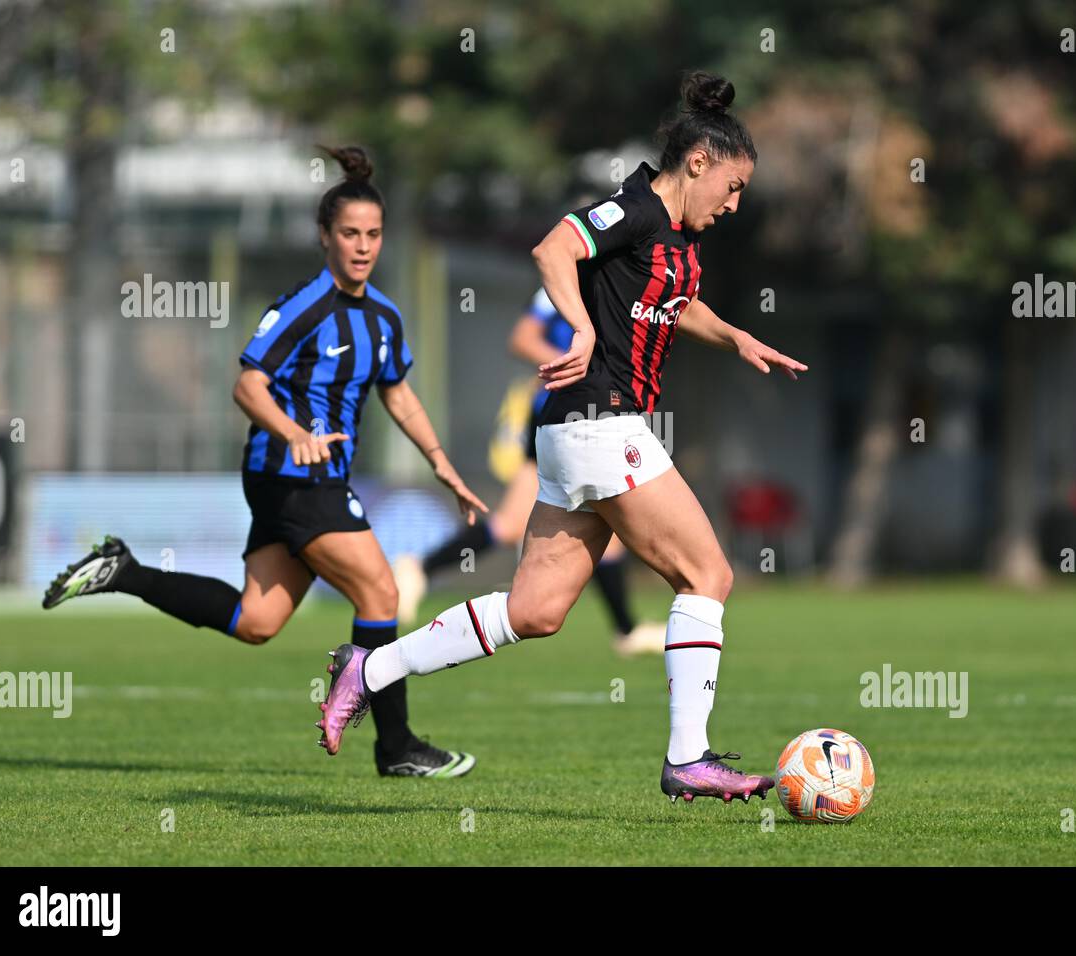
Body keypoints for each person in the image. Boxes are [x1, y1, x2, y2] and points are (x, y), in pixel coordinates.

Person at [316, 73, 807, 804]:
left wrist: (735, 336)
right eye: (732, 188)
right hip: (600, 419)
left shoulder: (671, 236)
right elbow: (553, 249)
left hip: (575, 433)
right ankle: (688, 758)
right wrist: (579, 326)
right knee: (710, 576)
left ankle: (370, 668)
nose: (733, 206)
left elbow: (678, 300)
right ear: (698, 162)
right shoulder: (637, 207)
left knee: (535, 611)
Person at [42, 146, 487, 779]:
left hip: (315, 479)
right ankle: (396, 748)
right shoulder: (303, 306)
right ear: (325, 237)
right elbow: (248, 384)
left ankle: (125, 571)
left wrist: (441, 462)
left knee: (258, 619)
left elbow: (398, 392)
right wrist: (293, 431)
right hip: (289, 474)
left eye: (374, 235)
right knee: (381, 591)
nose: (363, 246)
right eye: (350, 234)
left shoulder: (384, 317)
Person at [391, 285, 666, 656]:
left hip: (593, 411)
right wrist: (579, 368)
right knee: (518, 524)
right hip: (562, 411)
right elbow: (522, 338)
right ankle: (419, 571)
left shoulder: (618, 276)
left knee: (587, 524)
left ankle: (626, 629)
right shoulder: (565, 281)